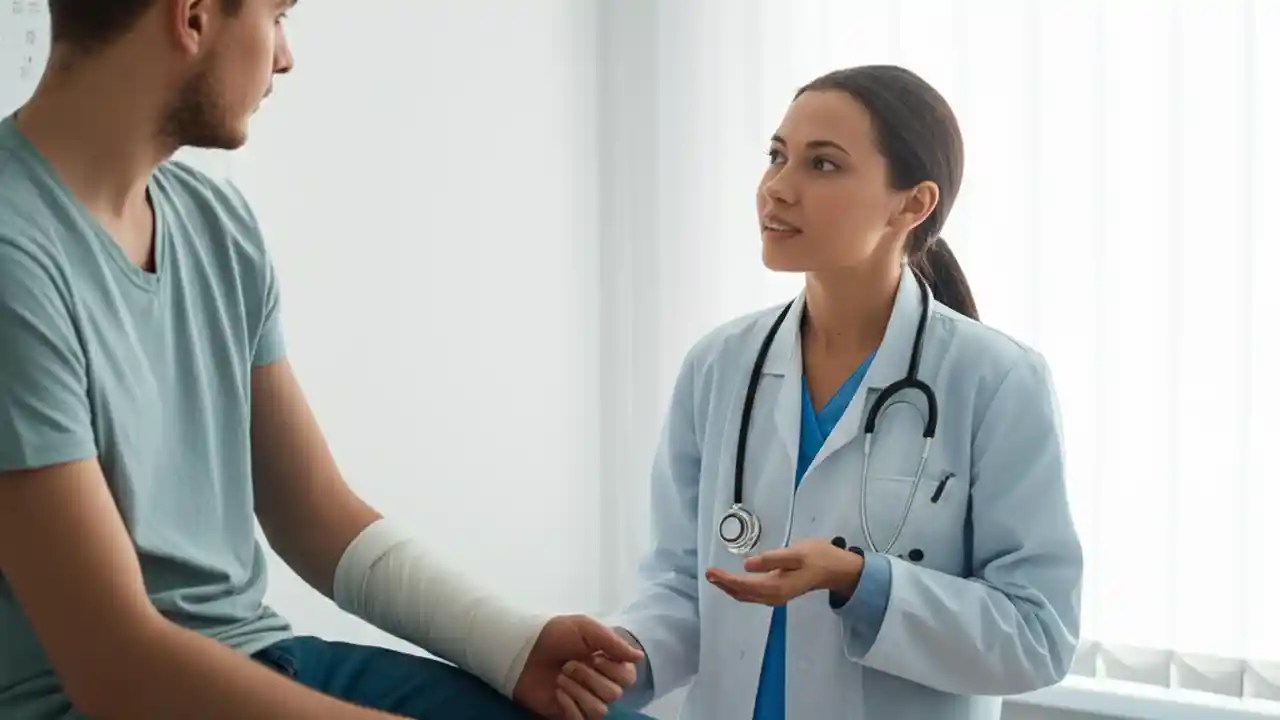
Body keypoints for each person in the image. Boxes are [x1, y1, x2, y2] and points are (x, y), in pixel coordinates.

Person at [0, 1, 644, 718]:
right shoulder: (13, 256)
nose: (283, 56)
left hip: (261, 660)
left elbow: (313, 514)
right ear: (194, 16)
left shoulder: (218, 226)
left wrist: (512, 645)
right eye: (275, 16)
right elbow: (116, 670)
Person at [554, 65, 1084, 719]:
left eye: (823, 165)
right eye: (777, 157)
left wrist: (861, 583)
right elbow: (681, 583)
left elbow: (1037, 637)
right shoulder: (719, 366)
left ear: (912, 204)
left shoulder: (997, 382)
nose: (777, 189)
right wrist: (619, 656)